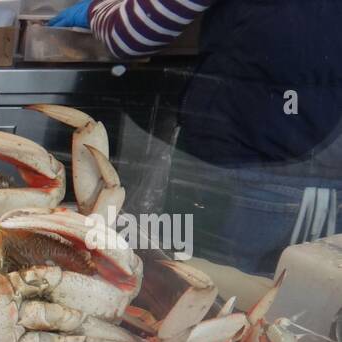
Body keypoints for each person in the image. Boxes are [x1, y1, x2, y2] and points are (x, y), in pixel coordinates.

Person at [50, 0, 342, 275]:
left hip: (244, 162)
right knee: (303, 308)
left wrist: (96, 10)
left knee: (200, 299)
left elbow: (132, 32)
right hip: (327, 169)